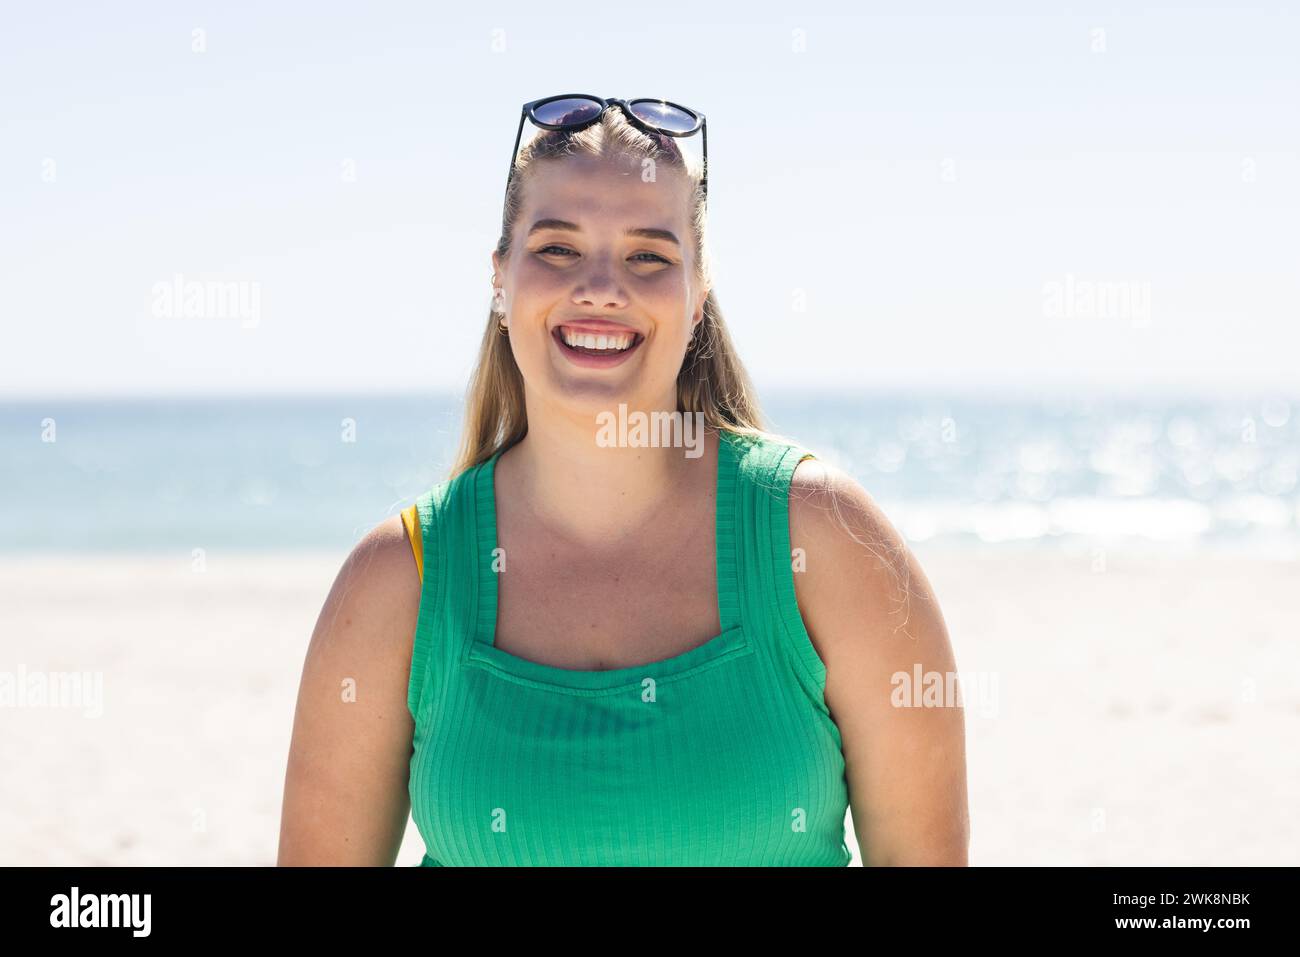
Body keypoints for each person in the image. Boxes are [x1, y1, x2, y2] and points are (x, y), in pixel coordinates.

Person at [277, 96, 968, 866]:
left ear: (698, 295)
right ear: (500, 281)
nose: (602, 287)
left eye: (648, 256)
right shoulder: (398, 580)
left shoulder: (828, 541)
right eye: (558, 249)